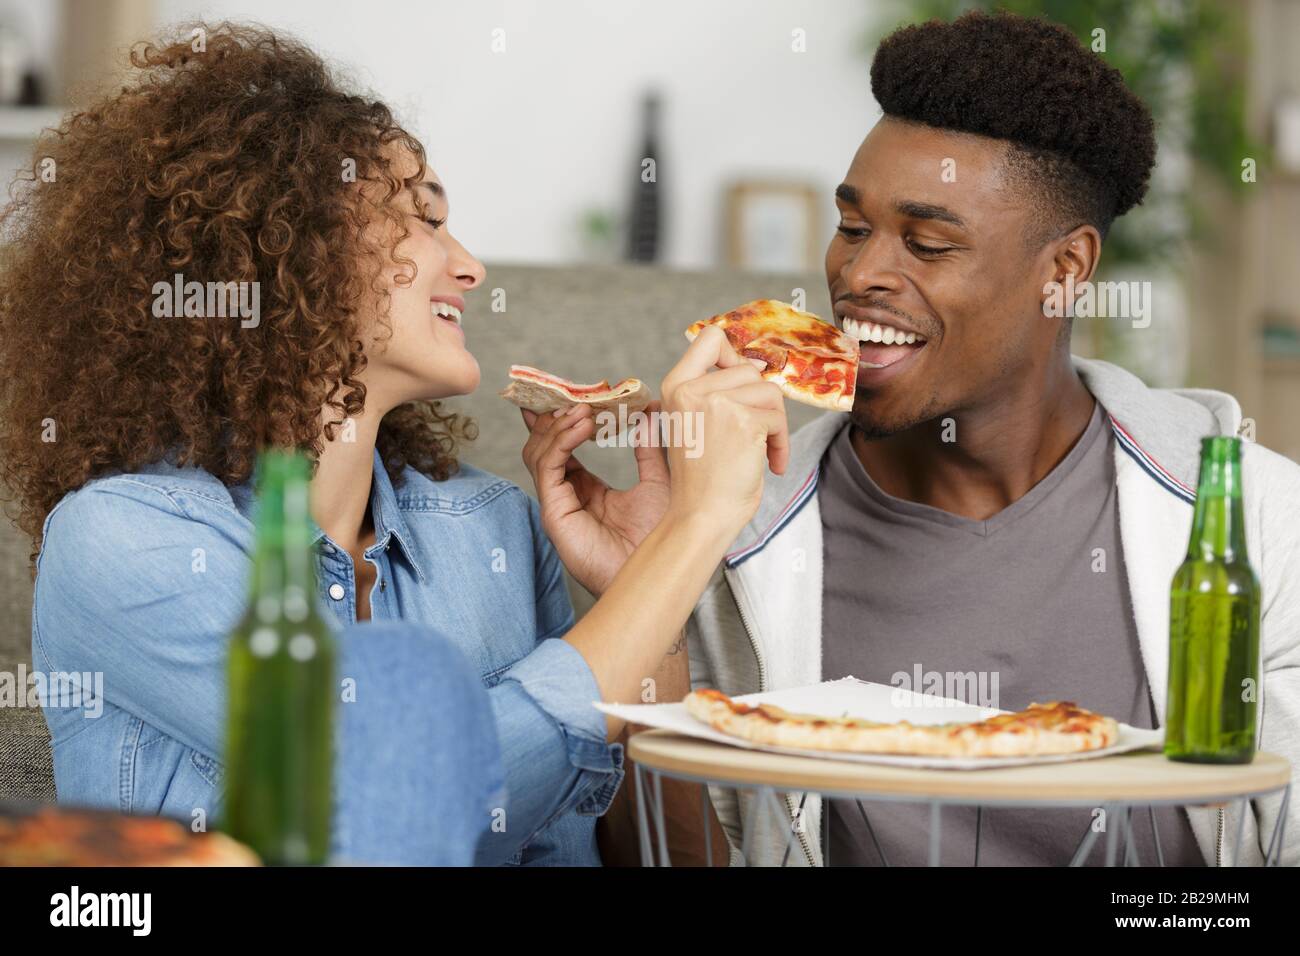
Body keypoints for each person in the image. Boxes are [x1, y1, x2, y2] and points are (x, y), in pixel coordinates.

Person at [0, 24, 787, 866]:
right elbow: (402, 794)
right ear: (284, 240)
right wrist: (695, 529)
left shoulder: (497, 533)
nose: (472, 265)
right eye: (424, 219)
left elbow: (670, 859)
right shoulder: (123, 540)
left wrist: (647, 590)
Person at [598, 11, 1300, 866]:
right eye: (853, 228)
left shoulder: (1261, 525)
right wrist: (656, 585)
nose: (858, 277)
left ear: (1065, 271)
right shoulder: (723, 526)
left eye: (927, 243)